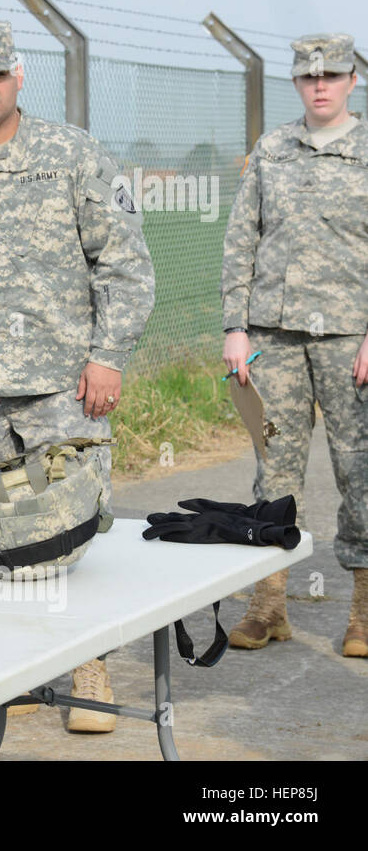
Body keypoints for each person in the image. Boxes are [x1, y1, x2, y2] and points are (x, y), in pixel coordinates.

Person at [0, 21, 155, 732]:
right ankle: (5, 670)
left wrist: (108, 354)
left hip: (61, 382)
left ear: (19, 77)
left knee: (77, 524)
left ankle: (91, 668)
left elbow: (124, 262)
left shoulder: (72, 155)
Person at [220, 32, 368, 659]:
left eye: (331, 76)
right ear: (296, 84)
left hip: (350, 338)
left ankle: (362, 611)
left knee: (358, 470)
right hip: (274, 337)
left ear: (352, 80)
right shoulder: (273, 149)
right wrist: (235, 326)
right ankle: (269, 603)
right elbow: (240, 238)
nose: (320, 86)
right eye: (309, 78)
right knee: (274, 469)